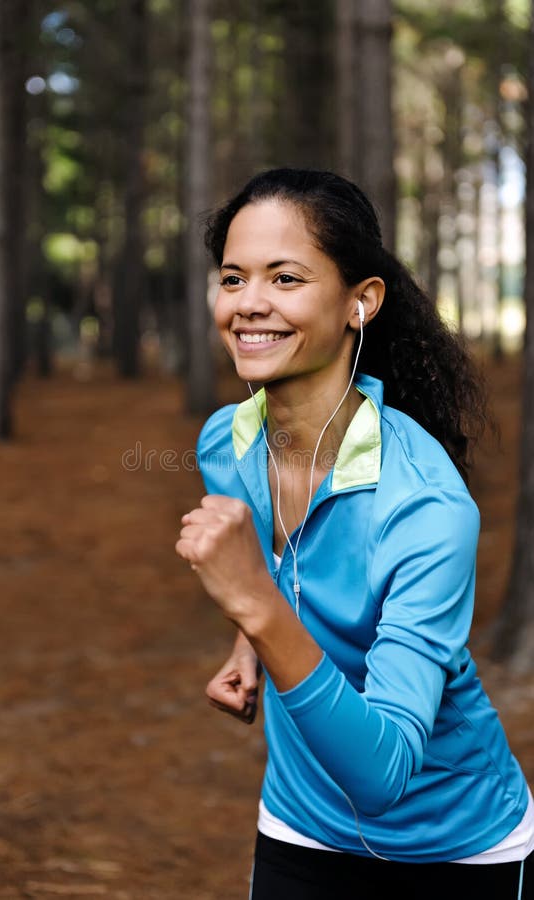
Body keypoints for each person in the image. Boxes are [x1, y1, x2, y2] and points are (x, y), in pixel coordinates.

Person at [175, 167, 534, 899]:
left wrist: (256, 610)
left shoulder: (426, 506)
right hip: (299, 823)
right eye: (233, 277)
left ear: (359, 303)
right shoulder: (225, 443)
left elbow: (384, 776)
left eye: (284, 278)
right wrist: (249, 644)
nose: (249, 304)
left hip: (454, 847)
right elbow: (283, 573)